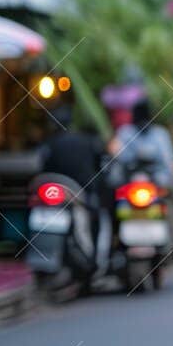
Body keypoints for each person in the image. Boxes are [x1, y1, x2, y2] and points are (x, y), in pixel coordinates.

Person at [39, 105, 109, 267]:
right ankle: (93, 260)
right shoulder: (86, 141)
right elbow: (100, 168)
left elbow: (43, 169)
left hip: (60, 196)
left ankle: (90, 261)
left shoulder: (50, 144)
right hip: (80, 195)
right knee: (93, 222)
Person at [111, 100, 173, 190]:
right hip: (130, 179)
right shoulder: (125, 132)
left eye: (145, 118)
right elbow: (120, 155)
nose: (143, 123)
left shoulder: (160, 133)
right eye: (139, 117)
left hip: (156, 181)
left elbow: (167, 159)